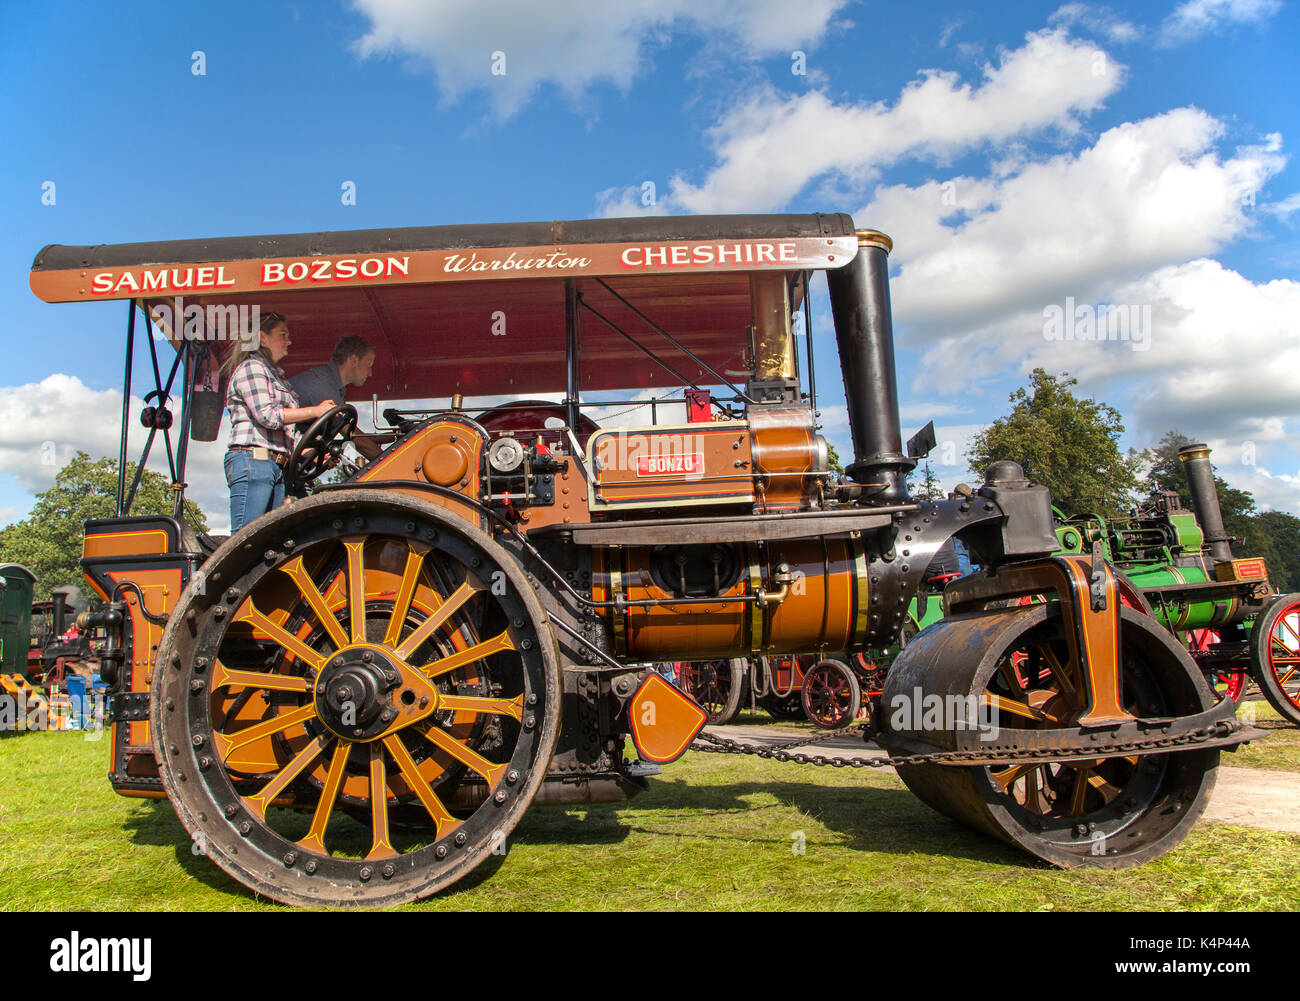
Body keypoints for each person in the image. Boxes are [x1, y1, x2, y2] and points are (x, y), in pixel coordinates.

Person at [224, 312, 335, 532]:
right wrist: (316, 411)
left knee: (271, 538)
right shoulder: (251, 368)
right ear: (262, 338)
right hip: (254, 462)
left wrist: (315, 454)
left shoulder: (276, 375)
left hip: (276, 465)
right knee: (248, 537)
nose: (289, 341)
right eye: (283, 335)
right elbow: (268, 415)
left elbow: (286, 433)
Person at [290, 334, 382, 459]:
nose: (370, 373)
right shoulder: (322, 386)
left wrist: (396, 436)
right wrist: (394, 467)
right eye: (369, 363)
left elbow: (360, 438)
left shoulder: (331, 386)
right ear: (354, 360)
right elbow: (358, 441)